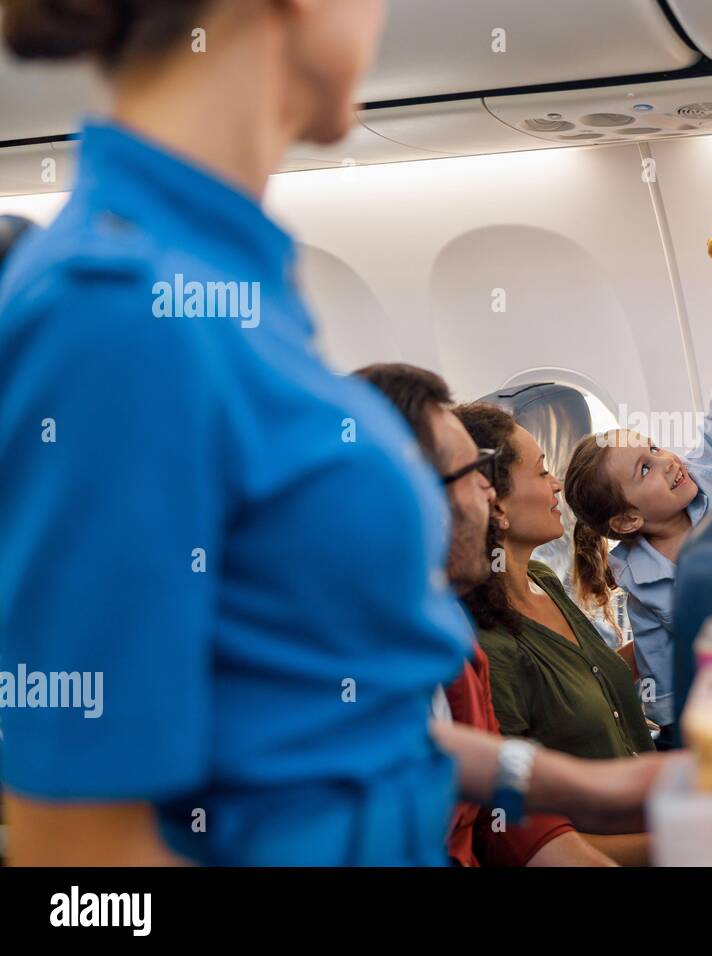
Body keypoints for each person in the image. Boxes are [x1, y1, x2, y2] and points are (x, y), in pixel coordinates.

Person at [0, 0, 659, 867]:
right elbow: (77, 859)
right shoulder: (115, 309)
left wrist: (592, 787)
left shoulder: (233, 288)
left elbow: (324, 717)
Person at [355, 363, 616, 867]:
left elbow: (508, 799)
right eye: (470, 478)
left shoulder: (451, 642)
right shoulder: (332, 673)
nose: (490, 498)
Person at [563, 264, 712, 750]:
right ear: (628, 519)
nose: (667, 461)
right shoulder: (640, 582)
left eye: (653, 448)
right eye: (645, 470)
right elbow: (658, 670)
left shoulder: (708, 471)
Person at [454, 402, 657, 866]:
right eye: (542, 471)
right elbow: (521, 832)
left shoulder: (542, 579)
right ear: (496, 504)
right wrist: (683, 840)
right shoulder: (489, 644)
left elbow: (590, 677)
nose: (557, 484)